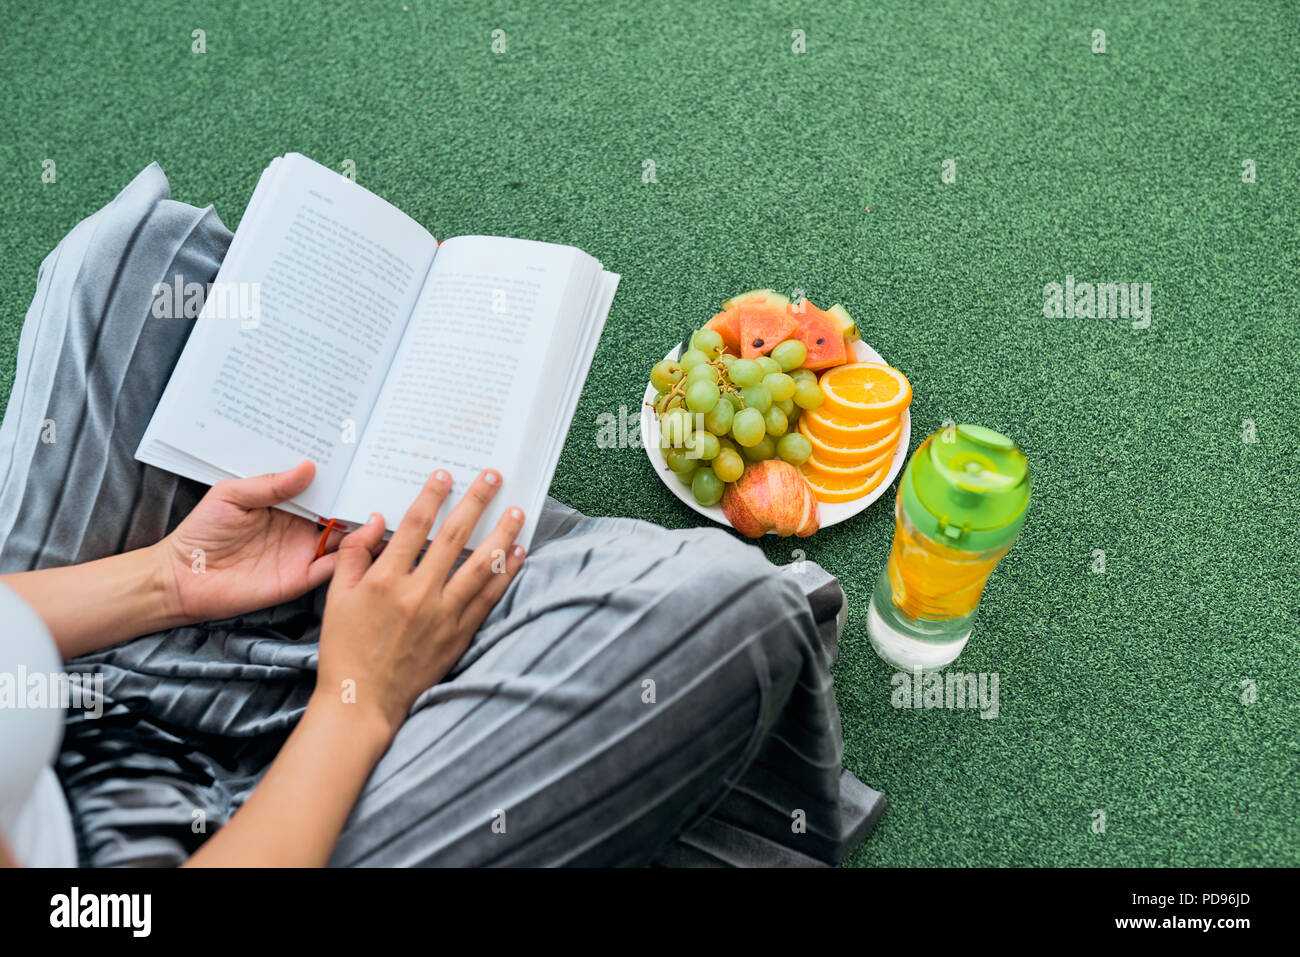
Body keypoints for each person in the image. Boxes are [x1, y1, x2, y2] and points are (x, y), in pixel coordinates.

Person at [0, 163, 883, 867]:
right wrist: (359, 701)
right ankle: (426, 660)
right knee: (721, 611)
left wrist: (170, 580)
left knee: (138, 258)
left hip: (79, 678)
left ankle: (420, 621)